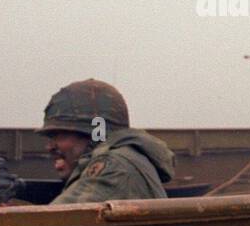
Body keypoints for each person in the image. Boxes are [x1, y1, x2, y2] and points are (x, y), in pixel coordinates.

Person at [37, 79, 175, 204]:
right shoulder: (126, 159)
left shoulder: (113, 166)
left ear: (93, 135)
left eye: (58, 135)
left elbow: (51, 221)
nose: (50, 147)